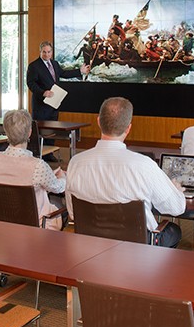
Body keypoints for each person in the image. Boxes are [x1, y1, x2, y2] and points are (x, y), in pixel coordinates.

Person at [66, 97, 186, 248]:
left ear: (98, 122)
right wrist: (175, 189)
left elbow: (72, 213)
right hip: (137, 250)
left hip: (89, 247)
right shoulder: (144, 165)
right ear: (128, 128)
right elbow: (176, 208)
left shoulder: (76, 163)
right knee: (173, 231)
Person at [0, 109, 67, 230]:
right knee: (58, 202)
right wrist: (62, 177)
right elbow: (58, 188)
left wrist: (50, 174)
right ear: (29, 133)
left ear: (6, 132)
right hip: (35, 226)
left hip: (2, 222)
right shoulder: (38, 165)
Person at [26, 40, 90, 122]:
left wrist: (80, 71)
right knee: (40, 131)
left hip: (54, 105)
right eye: (44, 52)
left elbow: (64, 73)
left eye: (49, 52)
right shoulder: (34, 66)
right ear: (40, 52)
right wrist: (43, 92)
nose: (46, 54)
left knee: (53, 131)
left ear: (52, 52)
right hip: (41, 106)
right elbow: (31, 83)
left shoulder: (55, 63)